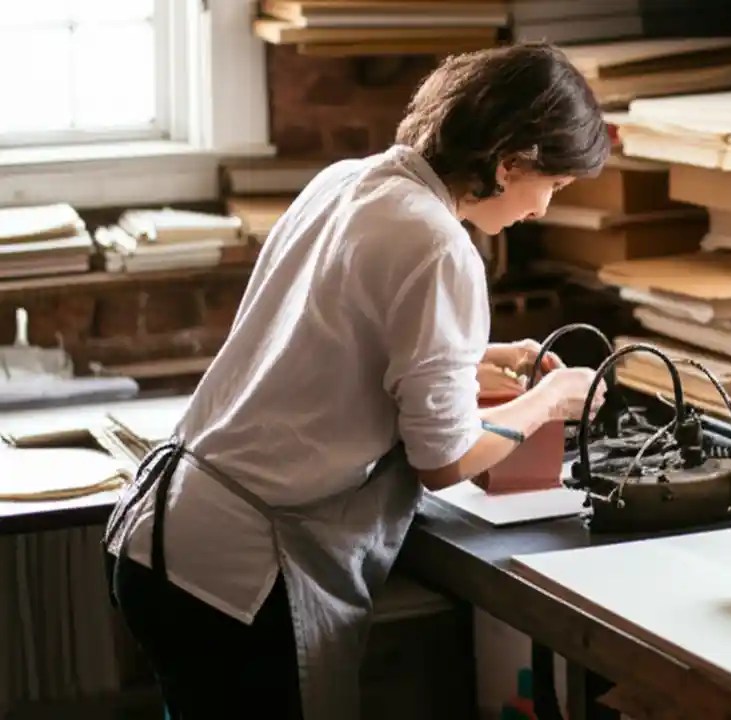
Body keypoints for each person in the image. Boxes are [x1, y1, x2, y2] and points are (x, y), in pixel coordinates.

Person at [101, 42, 612, 720]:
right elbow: (446, 461)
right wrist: (549, 400)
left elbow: (333, 328)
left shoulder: (351, 180)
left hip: (160, 537)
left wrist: (473, 355)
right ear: (509, 161)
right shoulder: (439, 245)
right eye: (554, 185)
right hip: (239, 576)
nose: (544, 208)